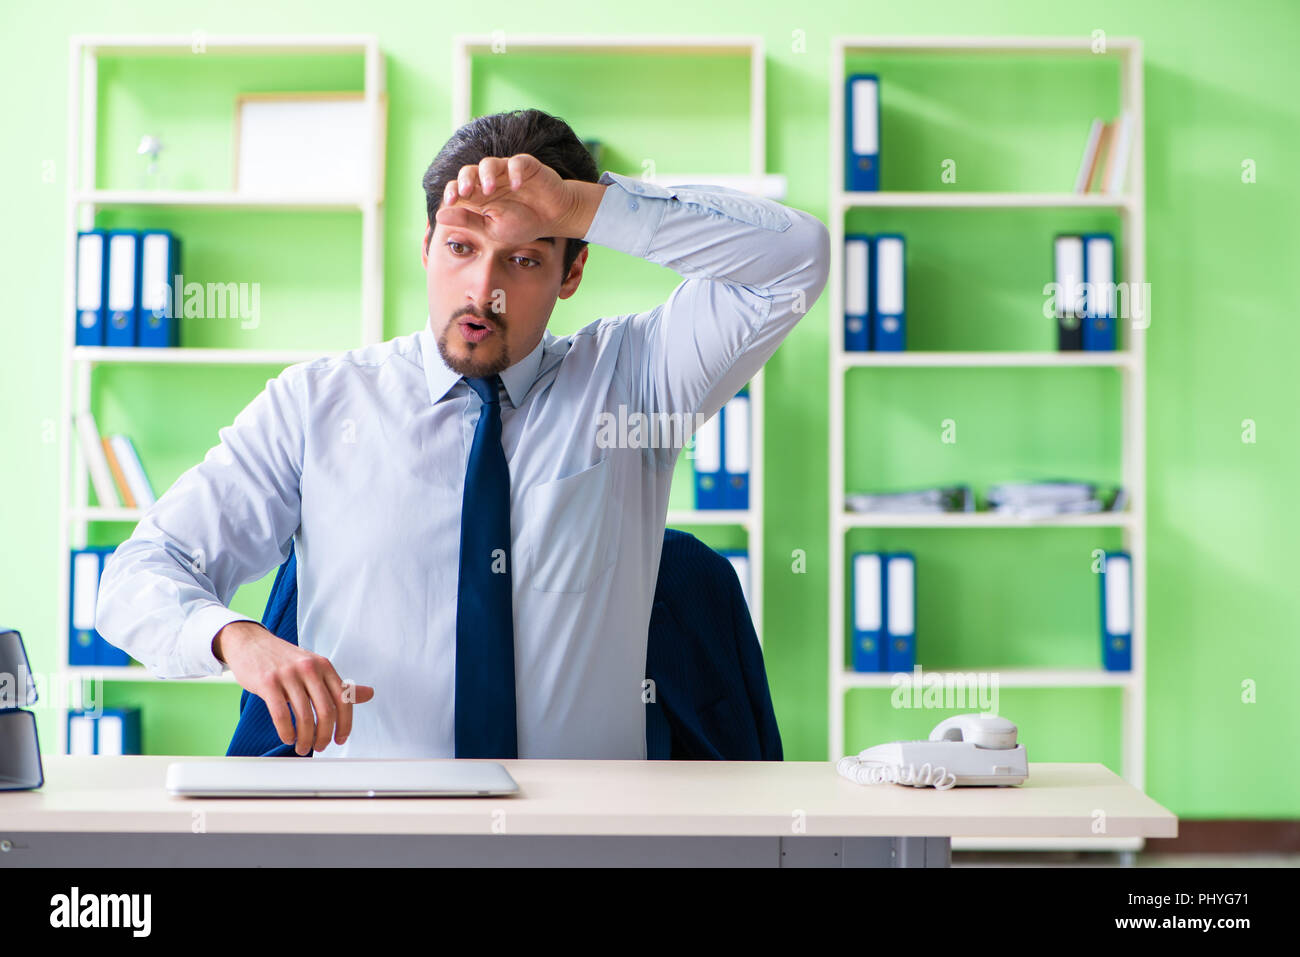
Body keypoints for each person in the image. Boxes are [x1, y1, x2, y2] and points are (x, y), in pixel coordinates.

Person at [96, 108, 830, 759]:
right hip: (372, 838)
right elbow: (137, 576)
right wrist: (235, 639)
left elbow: (796, 258)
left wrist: (582, 204)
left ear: (572, 272)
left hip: (578, 844)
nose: (484, 290)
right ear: (424, 246)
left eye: (523, 257)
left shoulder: (632, 383)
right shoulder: (316, 404)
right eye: (460, 247)